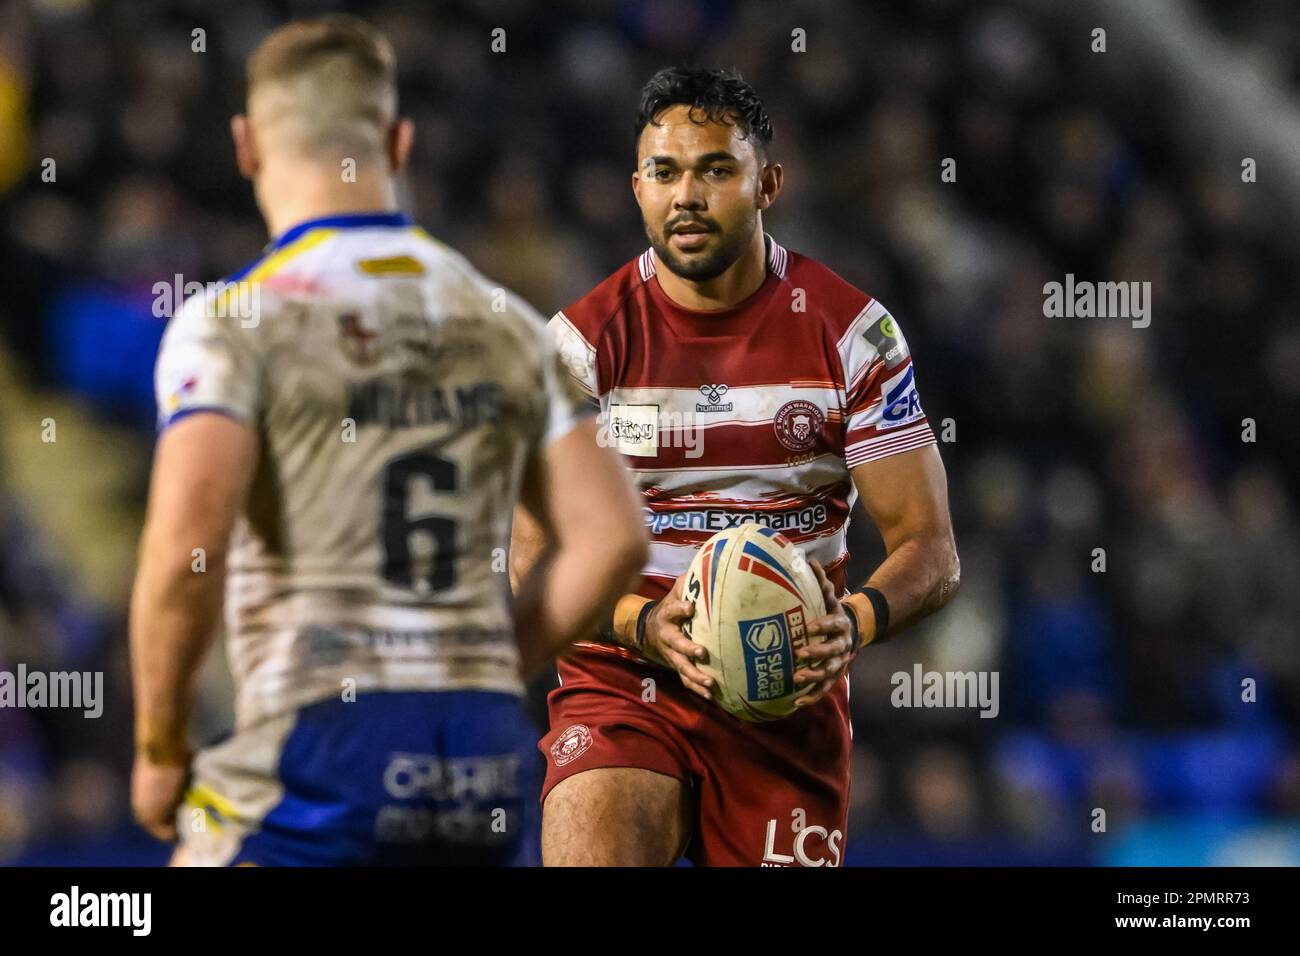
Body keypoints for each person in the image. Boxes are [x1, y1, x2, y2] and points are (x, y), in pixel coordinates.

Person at [129, 15, 646, 866]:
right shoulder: (504, 322)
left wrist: (158, 748)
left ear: (246, 145)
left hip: (321, 735)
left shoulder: (237, 320)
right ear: (399, 143)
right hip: (481, 753)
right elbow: (613, 536)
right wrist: (493, 658)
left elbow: (187, 544)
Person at [511, 66, 960, 866]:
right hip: (624, 677)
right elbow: (531, 562)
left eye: (716, 170)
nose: (687, 194)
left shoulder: (854, 335)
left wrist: (850, 624)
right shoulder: (578, 348)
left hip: (785, 691)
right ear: (638, 188)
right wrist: (642, 627)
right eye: (665, 172)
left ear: (767, 185)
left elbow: (931, 549)